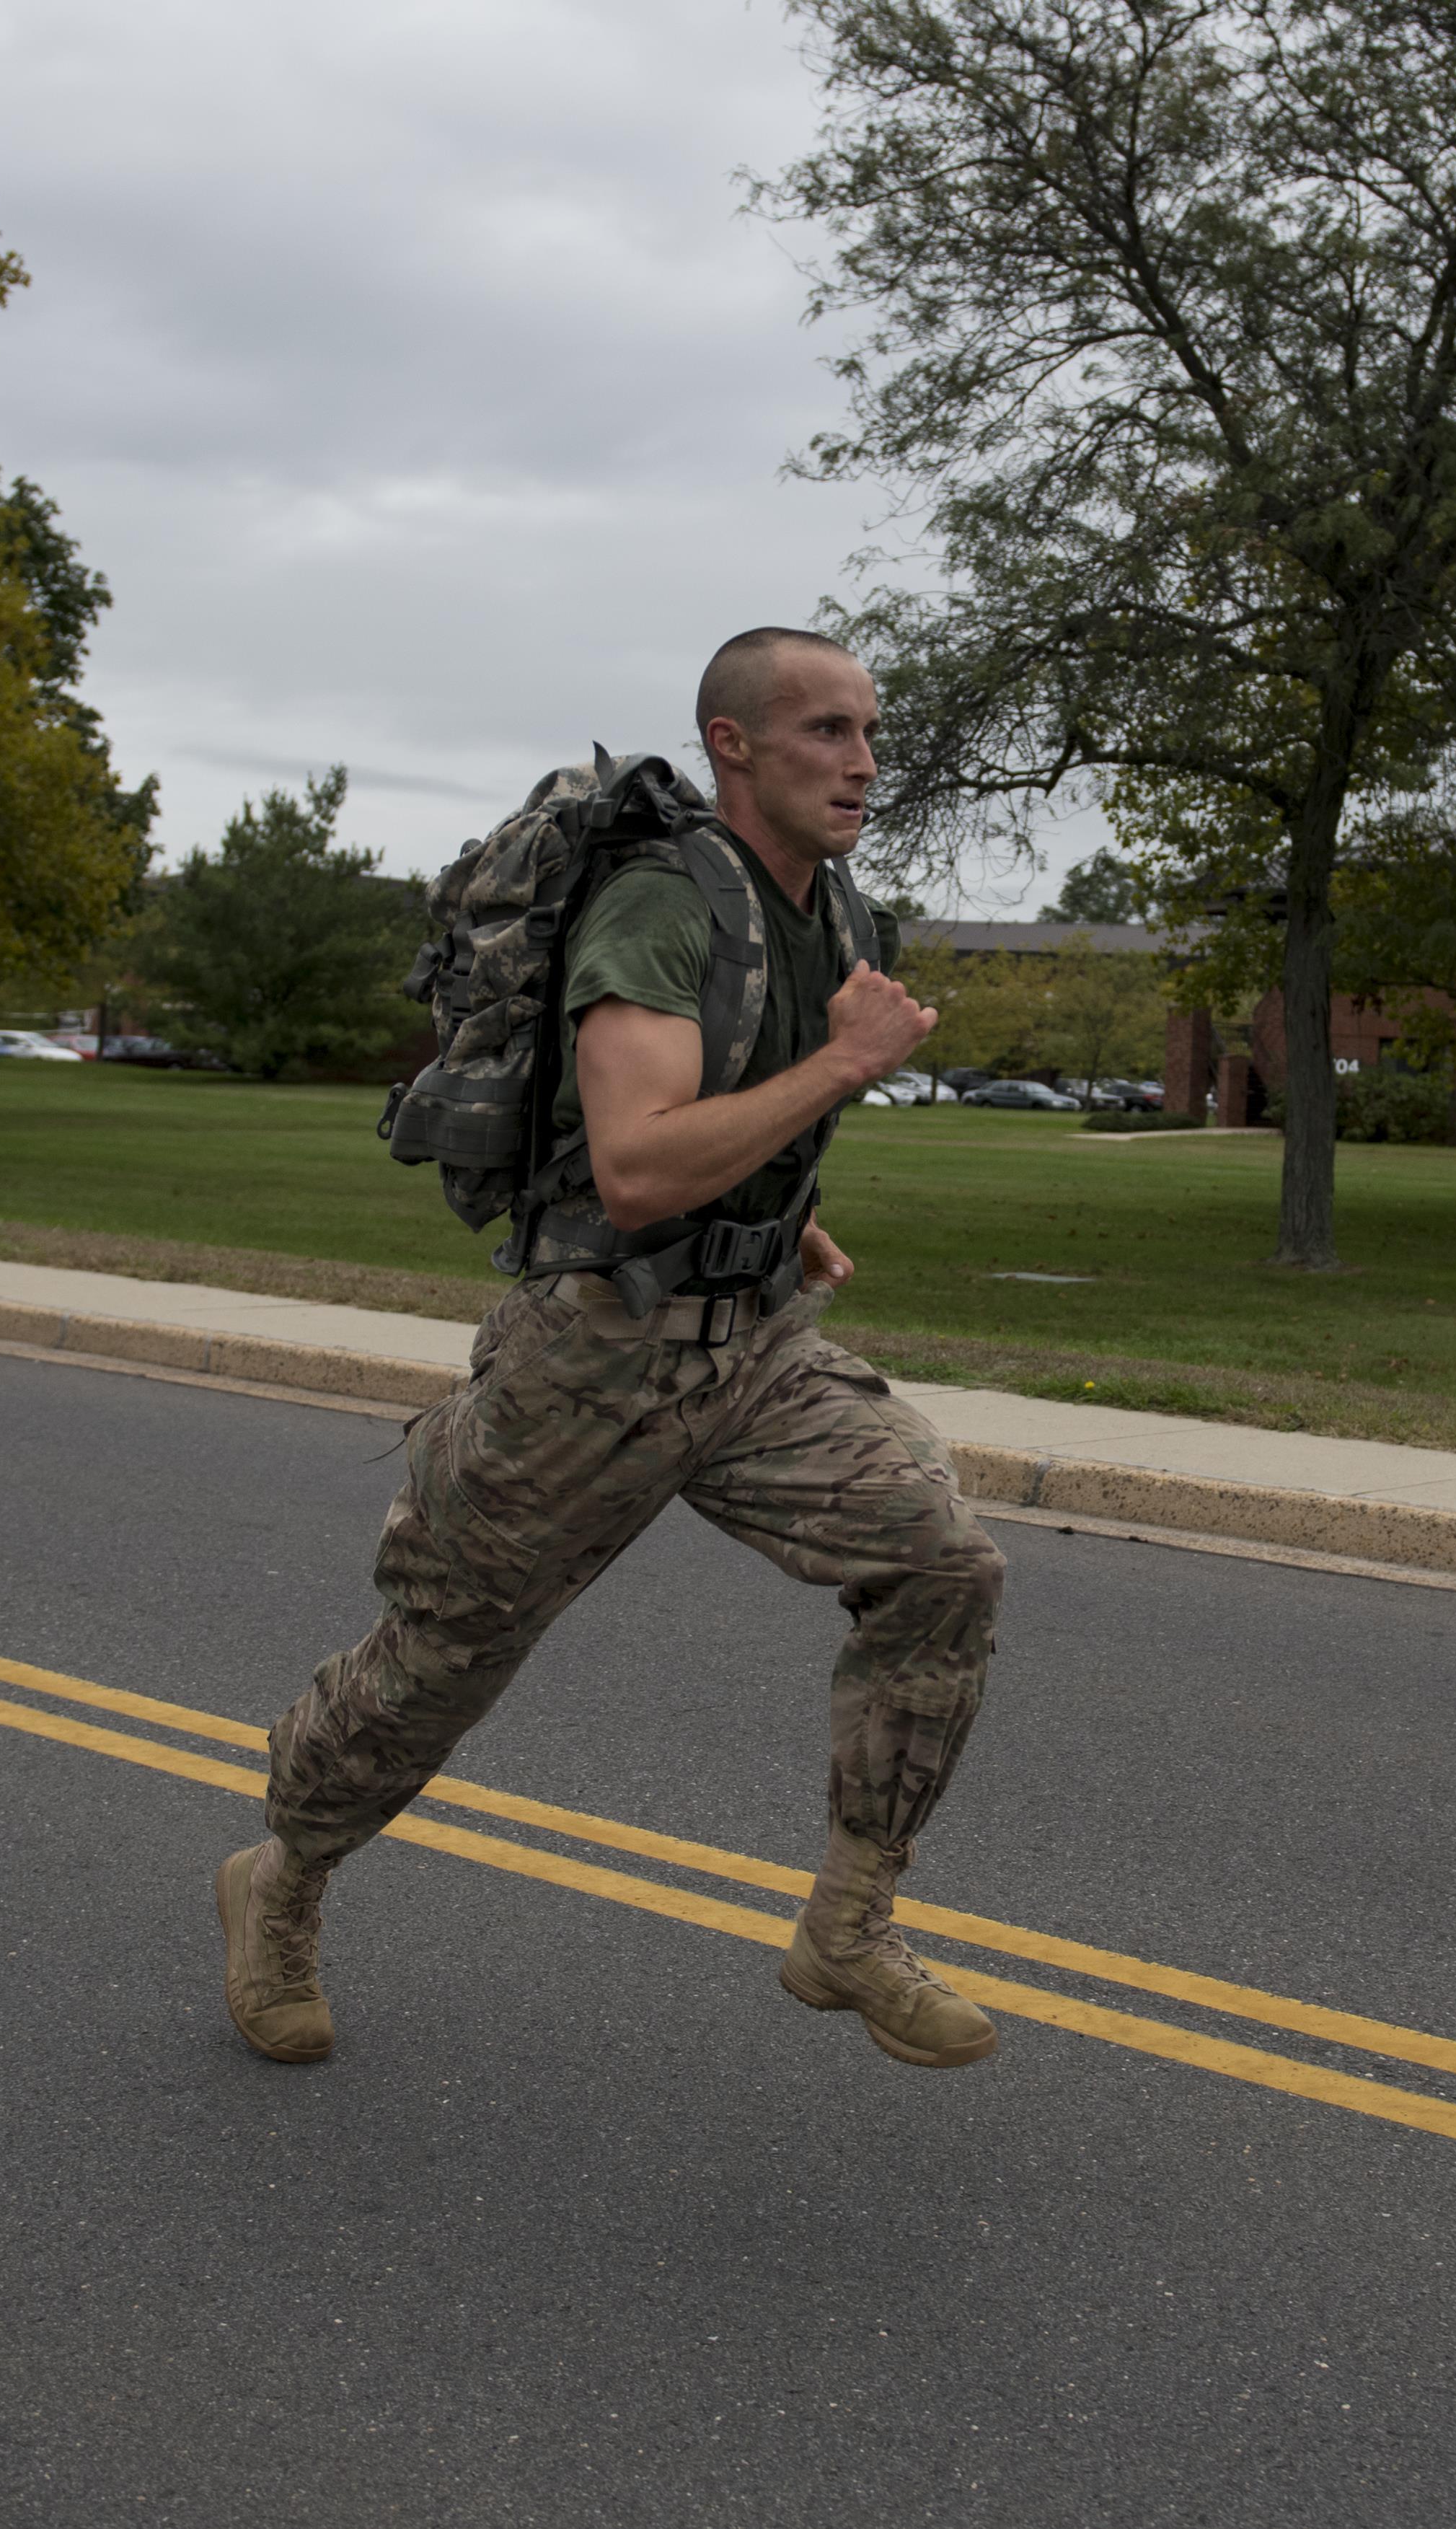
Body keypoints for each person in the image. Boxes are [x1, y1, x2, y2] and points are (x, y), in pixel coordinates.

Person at [215, 628, 1006, 2070]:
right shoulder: (656, 905)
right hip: (593, 1361)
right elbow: (636, 1169)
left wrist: (787, 1220)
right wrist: (845, 1065)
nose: (863, 763)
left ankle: (845, 1926)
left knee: (942, 1558)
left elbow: (743, 1115)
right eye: (824, 732)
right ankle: (283, 1878)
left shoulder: (840, 913)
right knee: (444, 1659)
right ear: (734, 746)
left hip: (750, 1349)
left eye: (869, 732)